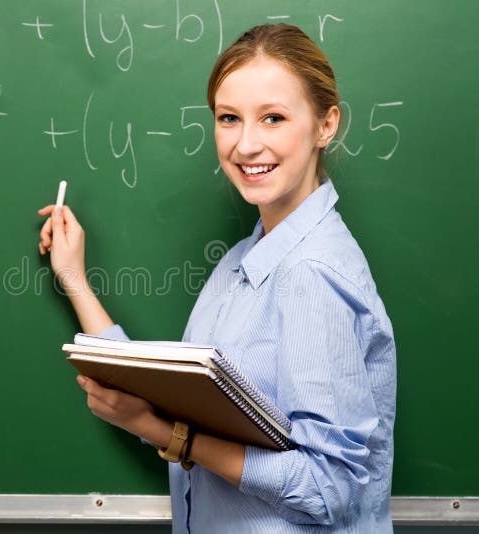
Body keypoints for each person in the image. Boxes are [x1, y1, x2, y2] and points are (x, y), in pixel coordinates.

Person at [37, 24, 396, 533]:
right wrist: (74, 278)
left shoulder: (310, 273)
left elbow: (328, 487)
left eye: (273, 118)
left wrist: (166, 434)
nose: (246, 144)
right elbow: (175, 406)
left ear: (325, 124)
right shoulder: (243, 261)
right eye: (229, 118)